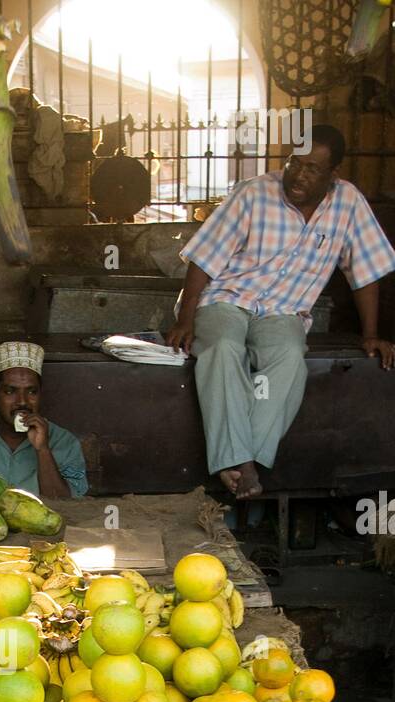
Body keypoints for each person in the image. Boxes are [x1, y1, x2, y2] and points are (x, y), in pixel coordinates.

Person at [167, 124, 395, 500]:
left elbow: (366, 270)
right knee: (223, 348)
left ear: (332, 176)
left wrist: (370, 333)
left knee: (289, 357)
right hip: (227, 298)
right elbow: (204, 257)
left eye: (311, 169)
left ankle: (240, 460)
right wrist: (186, 317)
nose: (298, 175)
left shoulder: (348, 202)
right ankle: (242, 463)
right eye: (293, 163)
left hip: (284, 311)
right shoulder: (254, 193)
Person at [0, 341, 88, 499]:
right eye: (10, 391)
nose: (22, 402)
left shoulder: (64, 442)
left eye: (31, 392)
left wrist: (43, 449)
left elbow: (67, 505)